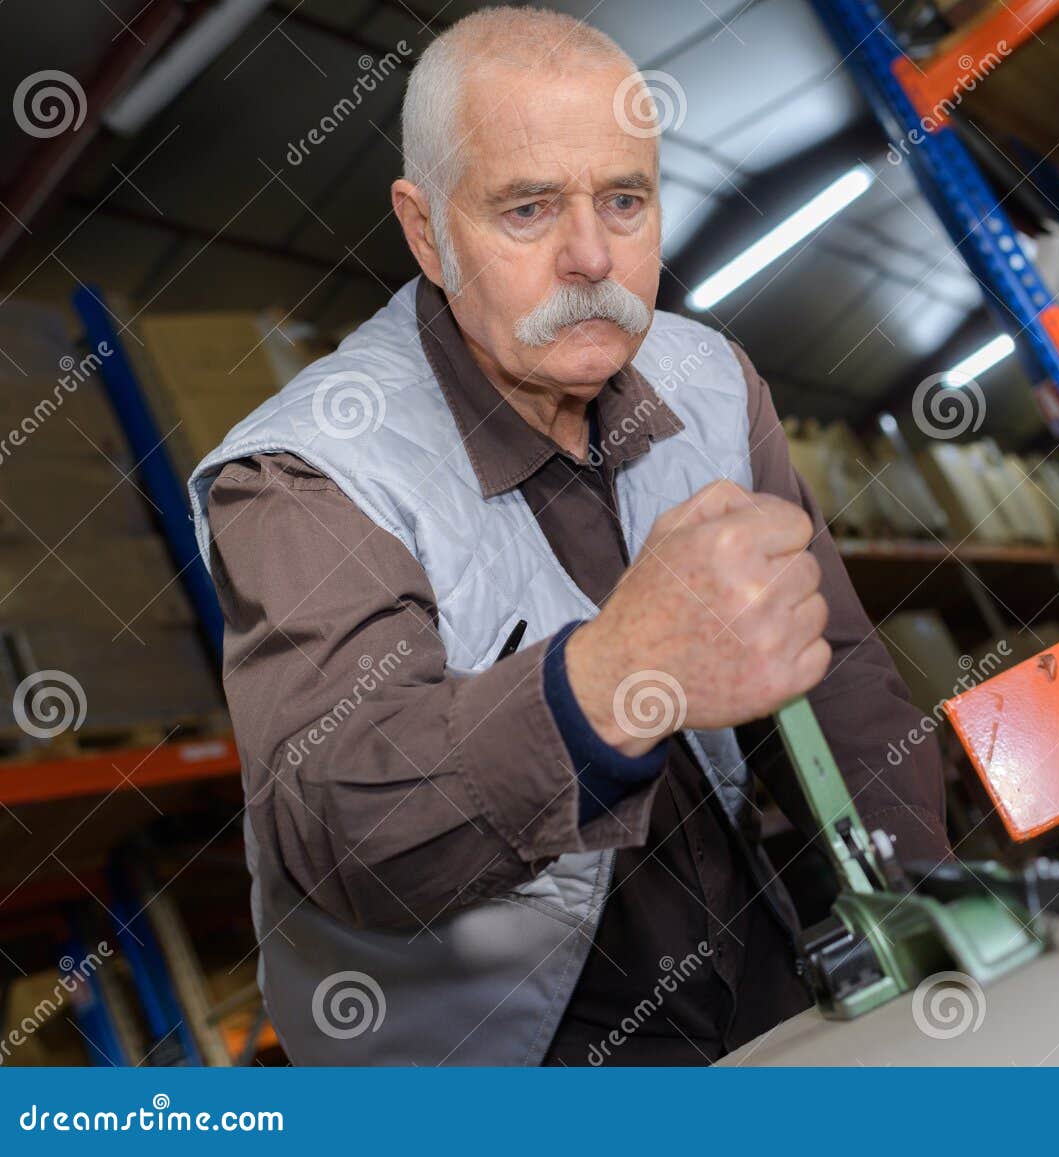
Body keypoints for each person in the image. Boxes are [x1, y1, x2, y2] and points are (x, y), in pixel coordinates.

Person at [189, 6, 948, 1065]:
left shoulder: (711, 379)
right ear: (425, 230)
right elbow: (340, 823)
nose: (592, 256)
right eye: (529, 208)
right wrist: (608, 683)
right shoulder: (312, 472)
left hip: (757, 971)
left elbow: (839, 668)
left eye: (625, 200)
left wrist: (919, 903)